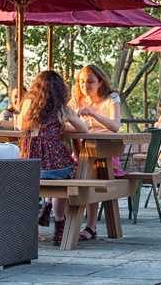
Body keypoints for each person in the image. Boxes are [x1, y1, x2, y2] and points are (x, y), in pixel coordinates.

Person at [18, 71, 89, 246]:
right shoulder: (61, 108)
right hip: (55, 168)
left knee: (38, 180)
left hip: (29, 167)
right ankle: (59, 228)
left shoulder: (27, 103)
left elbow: (19, 126)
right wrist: (62, 128)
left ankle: (39, 216)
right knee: (65, 175)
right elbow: (83, 130)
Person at [67, 64, 123, 241]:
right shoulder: (74, 102)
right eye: (82, 81)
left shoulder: (111, 98)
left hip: (106, 151)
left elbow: (115, 126)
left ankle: (90, 225)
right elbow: (66, 128)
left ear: (100, 83)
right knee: (65, 171)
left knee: (89, 172)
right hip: (80, 151)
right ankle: (60, 220)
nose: (85, 85)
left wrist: (92, 114)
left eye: (90, 81)